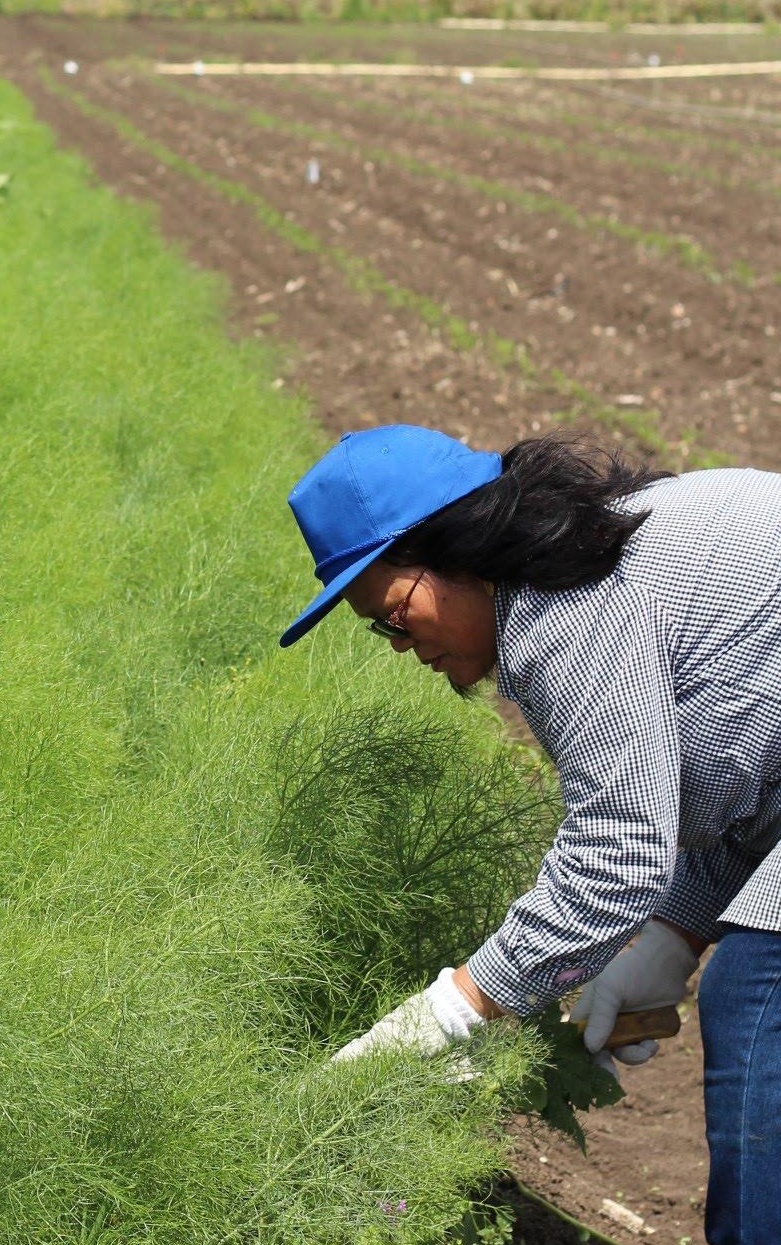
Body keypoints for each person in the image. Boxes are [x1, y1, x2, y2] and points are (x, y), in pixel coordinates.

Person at [280, 424, 780, 1243]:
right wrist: (677, 929)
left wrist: (454, 1009)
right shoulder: (570, 580)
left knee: (758, 999)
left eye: (399, 615)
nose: (404, 647)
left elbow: (617, 852)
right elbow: (743, 760)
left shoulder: (563, 614)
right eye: (383, 632)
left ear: (461, 547)